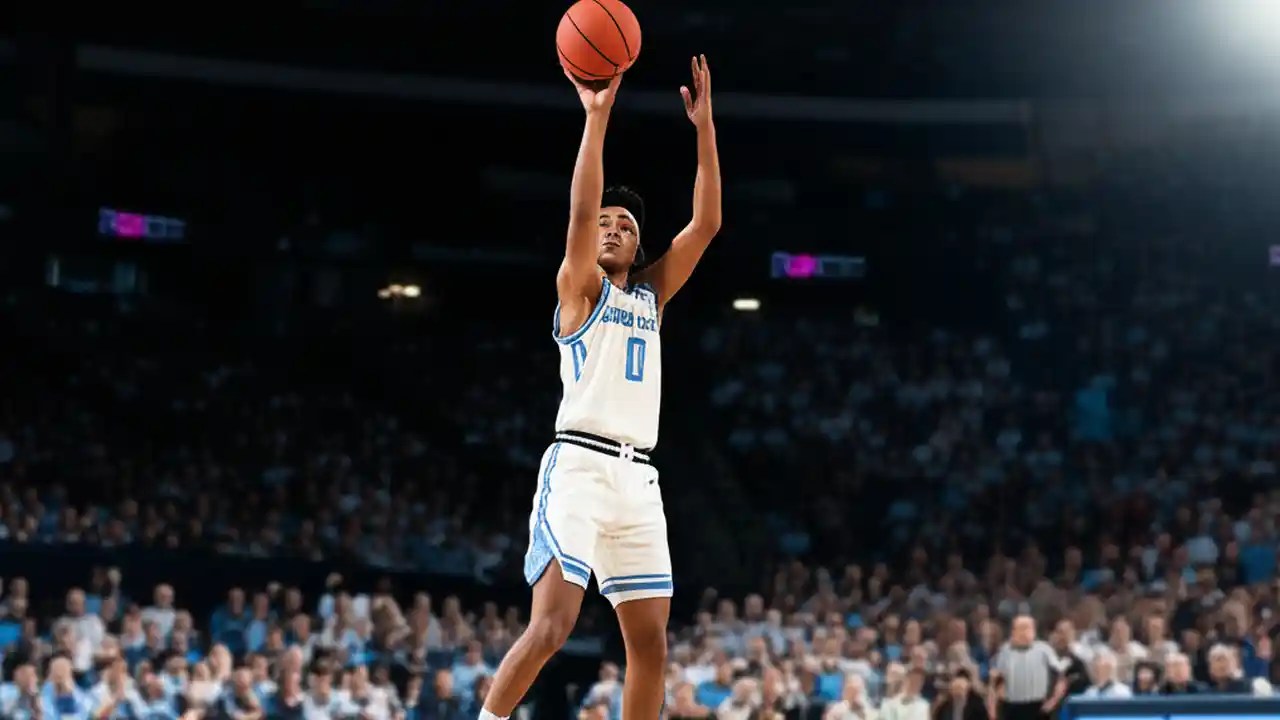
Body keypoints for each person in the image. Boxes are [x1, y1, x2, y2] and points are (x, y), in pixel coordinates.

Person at [479, 54, 722, 720]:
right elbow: (582, 210)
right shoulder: (579, 292)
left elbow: (706, 226)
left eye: (629, 227)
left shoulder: (651, 297)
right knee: (552, 628)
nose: (615, 228)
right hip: (580, 467)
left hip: (639, 480)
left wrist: (703, 128)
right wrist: (598, 116)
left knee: (650, 646)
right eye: (609, 224)